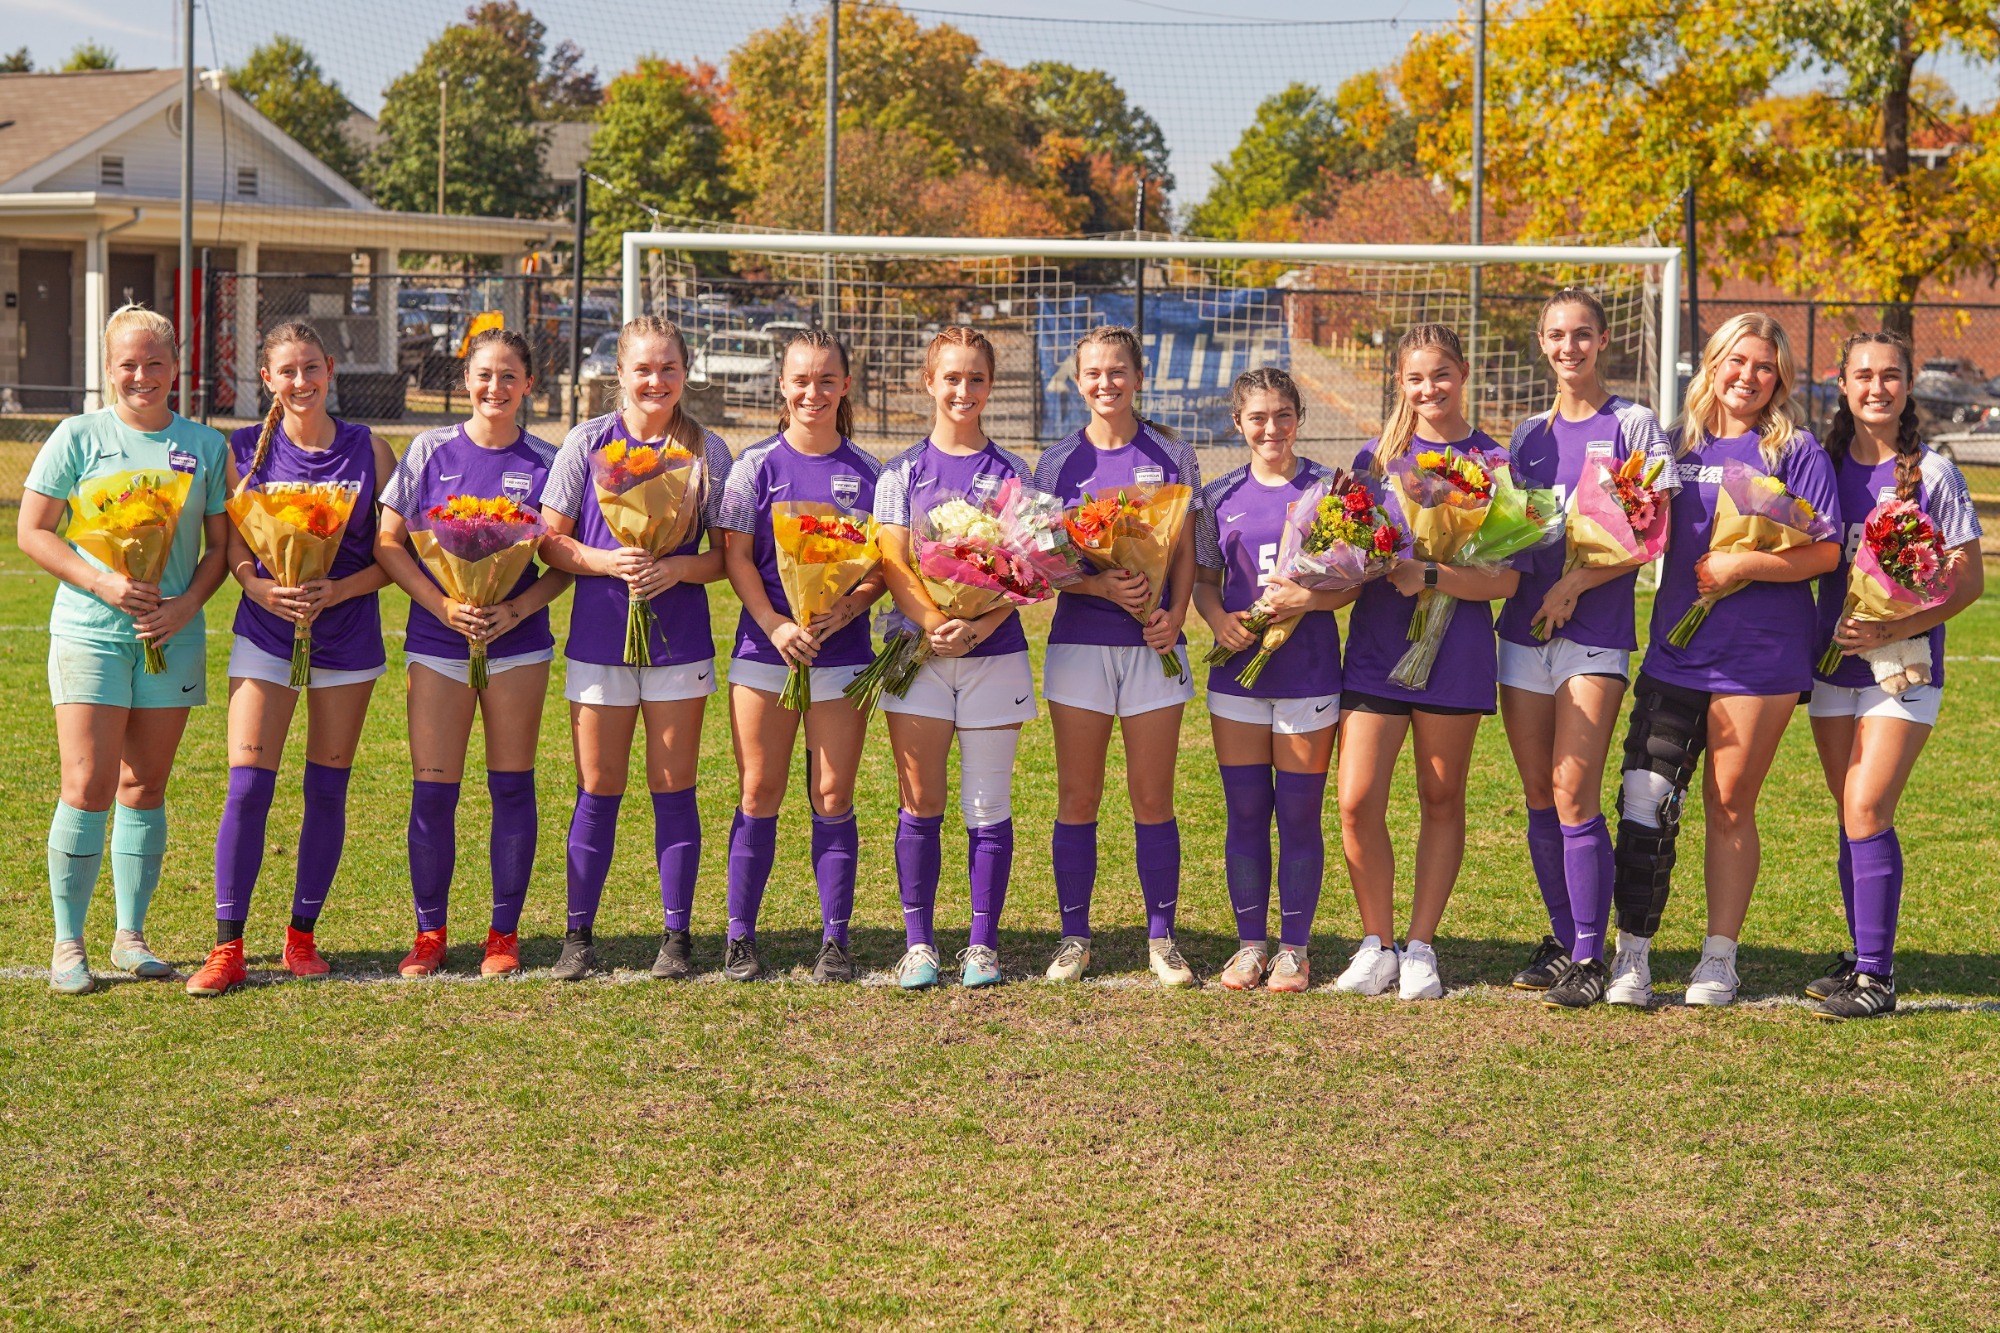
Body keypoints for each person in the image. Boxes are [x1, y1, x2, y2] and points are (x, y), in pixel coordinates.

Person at [1605, 313, 1841, 1008]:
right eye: (1736, 361)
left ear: (1781, 378)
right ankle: (1633, 954)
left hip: (1758, 659)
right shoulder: (1673, 446)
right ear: (1711, 363)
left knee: (1728, 802)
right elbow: (1632, 531)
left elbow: (1827, 552)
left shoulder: (1795, 452)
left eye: (1764, 366)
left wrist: (1744, 561)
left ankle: (1718, 958)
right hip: (1676, 651)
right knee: (1644, 802)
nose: (1748, 376)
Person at [17, 304, 232, 995]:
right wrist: (103, 580)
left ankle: (131, 935)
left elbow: (222, 548)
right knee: (88, 784)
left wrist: (184, 606)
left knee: (147, 786)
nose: (140, 375)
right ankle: (67, 942)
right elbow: (34, 530)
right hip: (90, 633)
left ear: (176, 365)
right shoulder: (79, 436)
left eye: (153, 362)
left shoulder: (206, 446)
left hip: (173, 635)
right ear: (108, 369)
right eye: (126, 364)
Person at [185, 322, 396, 997]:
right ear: (266, 379)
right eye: (287, 371)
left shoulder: (372, 451)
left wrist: (337, 587)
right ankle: (227, 946)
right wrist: (255, 583)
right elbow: (232, 547)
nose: (301, 381)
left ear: (330, 369)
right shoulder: (241, 450)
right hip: (267, 633)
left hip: (348, 637)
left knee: (325, 789)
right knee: (248, 784)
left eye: (312, 367)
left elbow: (393, 559)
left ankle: (301, 937)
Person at [1495, 290, 1676, 1009]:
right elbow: (1513, 533)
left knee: (1575, 791)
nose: (1569, 347)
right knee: (1539, 792)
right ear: (1543, 344)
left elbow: (1650, 532)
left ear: (1603, 341)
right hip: (1522, 632)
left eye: (1581, 335)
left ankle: (1588, 955)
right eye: (1556, 335)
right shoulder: (1527, 435)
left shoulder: (1633, 423)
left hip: (1594, 632)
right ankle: (1566, 934)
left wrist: (1574, 583)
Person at [373, 328, 571, 978]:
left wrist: (514, 608)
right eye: (484, 374)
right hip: (438, 642)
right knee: (434, 790)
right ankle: (430, 933)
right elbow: (389, 542)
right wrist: (443, 606)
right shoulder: (428, 448)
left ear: (528, 385)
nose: (495, 387)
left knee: (511, 785)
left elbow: (563, 559)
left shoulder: (549, 458)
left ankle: (503, 933)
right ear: (465, 379)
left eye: (509, 375)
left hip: (518, 647)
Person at [541, 316, 733, 982]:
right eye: (643, 369)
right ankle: (578, 935)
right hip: (599, 637)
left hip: (679, 642)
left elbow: (726, 561)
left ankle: (676, 936)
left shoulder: (709, 449)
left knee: (673, 786)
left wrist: (675, 569)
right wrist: (605, 560)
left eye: (669, 369)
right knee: (599, 786)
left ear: (686, 372)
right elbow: (549, 540)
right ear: (619, 372)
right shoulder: (586, 441)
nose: (656, 381)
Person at [1334, 323, 1519, 1001]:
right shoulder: (1375, 458)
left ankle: (1419, 946)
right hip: (1378, 648)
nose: (1428, 389)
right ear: (1400, 384)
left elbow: (1505, 581)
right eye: (1414, 378)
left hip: (1456, 650)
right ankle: (1375, 943)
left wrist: (1432, 575)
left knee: (1441, 797)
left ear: (1462, 373)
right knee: (1355, 801)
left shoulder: (1497, 463)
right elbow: (1343, 557)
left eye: (1439, 374)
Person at [1805, 331, 1982, 1019]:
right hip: (1830, 668)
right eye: (1863, 375)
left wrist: (1893, 628)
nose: (1876, 387)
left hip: (1902, 670)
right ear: (1842, 385)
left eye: (1890, 375)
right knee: (1851, 815)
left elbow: (1967, 583)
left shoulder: (1933, 473)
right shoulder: (1819, 464)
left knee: (1868, 808)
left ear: (1909, 386)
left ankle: (1877, 977)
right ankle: (1859, 952)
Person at [1032, 325, 1208, 988]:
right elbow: (1041, 561)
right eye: (1093, 373)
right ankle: (1075, 935)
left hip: (1152, 647)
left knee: (1151, 797)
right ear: (1078, 381)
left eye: (1117, 371)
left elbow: (1185, 551)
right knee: (1078, 795)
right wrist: (1100, 582)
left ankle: (1161, 937)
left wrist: (1174, 615)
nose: (1106, 383)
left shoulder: (1173, 454)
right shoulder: (1056, 463)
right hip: (1080, 644)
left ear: (1137, 376)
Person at [714, 328, 887, 983]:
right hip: (766, 652)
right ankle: (740, 937)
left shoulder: (872, 473)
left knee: (832, 791)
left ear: (845, 386)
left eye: (825, 380)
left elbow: (882, 564)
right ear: (781, 386)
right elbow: (736, 557)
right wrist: (777, 624)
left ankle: (835, 940)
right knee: (759, 789)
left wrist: (844, 608)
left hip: (843, 655)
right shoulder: (753, 465)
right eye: (800, 380)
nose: (812, 391)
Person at [874, 327, 1035, 990]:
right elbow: (892, 559)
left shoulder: (1014, 472)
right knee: (922, 801)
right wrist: (937, 620)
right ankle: (919, 944)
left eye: (975, 379)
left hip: (995, 654)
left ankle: (982, 945)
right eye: (951, 378)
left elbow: (1030, 569)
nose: (962, 390)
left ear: (990, 386)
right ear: (928, 382)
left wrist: (982, 617)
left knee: (988, 803)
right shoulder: (901, 471)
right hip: (917, 654)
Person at [1195, 369, 1347, 994]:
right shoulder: (1217, 495)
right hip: (1238, 677)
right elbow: (1203, 582)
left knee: (1301, 813)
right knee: (1247, 812)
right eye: (1258, 417)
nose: (1271, 428)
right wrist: (1218, 620)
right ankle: (1250, 945)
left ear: (1299, 417)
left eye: (1283, 415)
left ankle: (1296, 950)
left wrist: (1307, 601)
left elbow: (1350, 582)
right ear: (1238, 424)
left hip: (1309, 672)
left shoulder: (1330, 489)